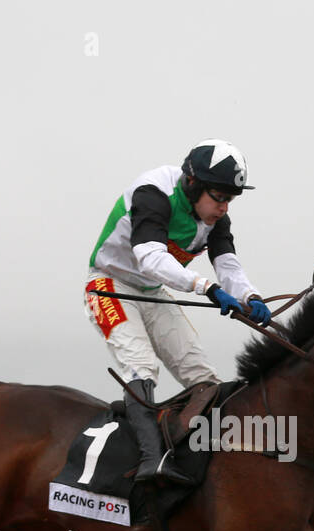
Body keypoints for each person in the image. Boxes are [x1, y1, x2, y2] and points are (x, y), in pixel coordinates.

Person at [84, 138, 271, 485]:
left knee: (203, 377)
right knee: (141, 367)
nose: (224, 208)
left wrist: (251, 296)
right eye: (219, 198)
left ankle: (206, 459)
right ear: (193, 183)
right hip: (110, 286)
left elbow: (227, 264)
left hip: (153, 291)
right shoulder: (153, 193)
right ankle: (149, 462)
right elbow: (151, 257)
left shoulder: (216, 217)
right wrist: (206, 288)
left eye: (230, 200)